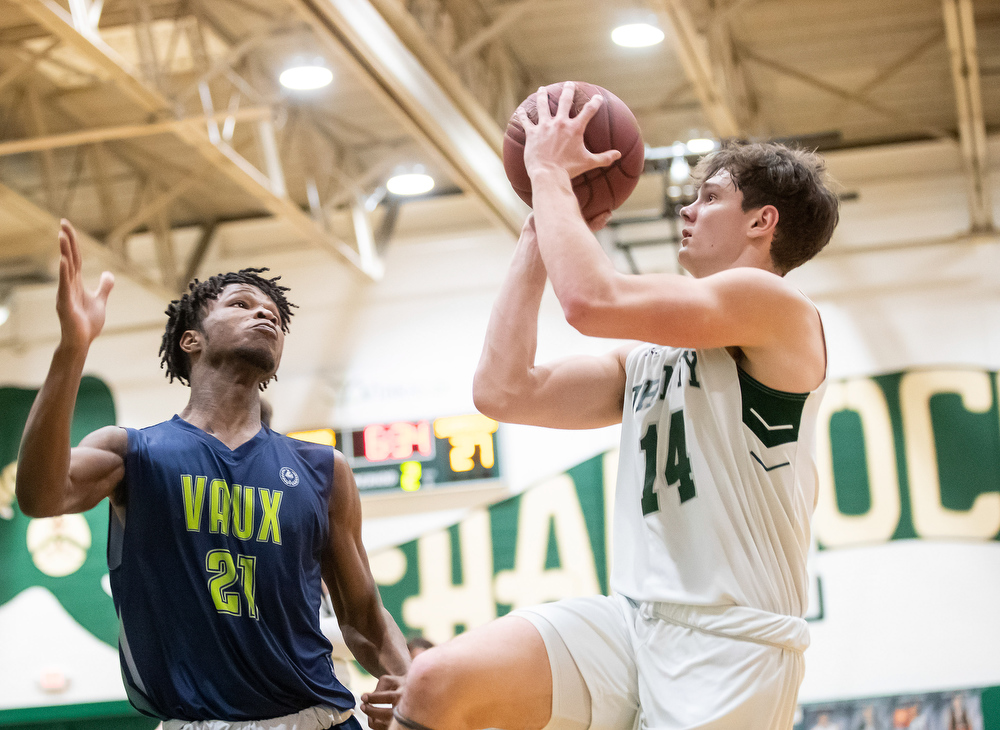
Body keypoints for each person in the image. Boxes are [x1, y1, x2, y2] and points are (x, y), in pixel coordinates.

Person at [391, 83, 839, 730]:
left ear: (761, 222)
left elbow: (592, 303)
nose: (687, 210)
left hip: (735, 647)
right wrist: (535, 238)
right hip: (633, 622)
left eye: (709, 198)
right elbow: (503, 391)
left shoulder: (775, 306)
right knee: (435, 682)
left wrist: (547, 171)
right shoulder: (648, 360)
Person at [15, 221, 410, 730]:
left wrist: (407, 675)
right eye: (242, 304)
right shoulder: (134, 451)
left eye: (273, 313)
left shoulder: (322, 469)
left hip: (318, 718)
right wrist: (73, 349)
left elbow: (363, 615)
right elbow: (40, 496)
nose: (265, 312)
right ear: (191, 339)